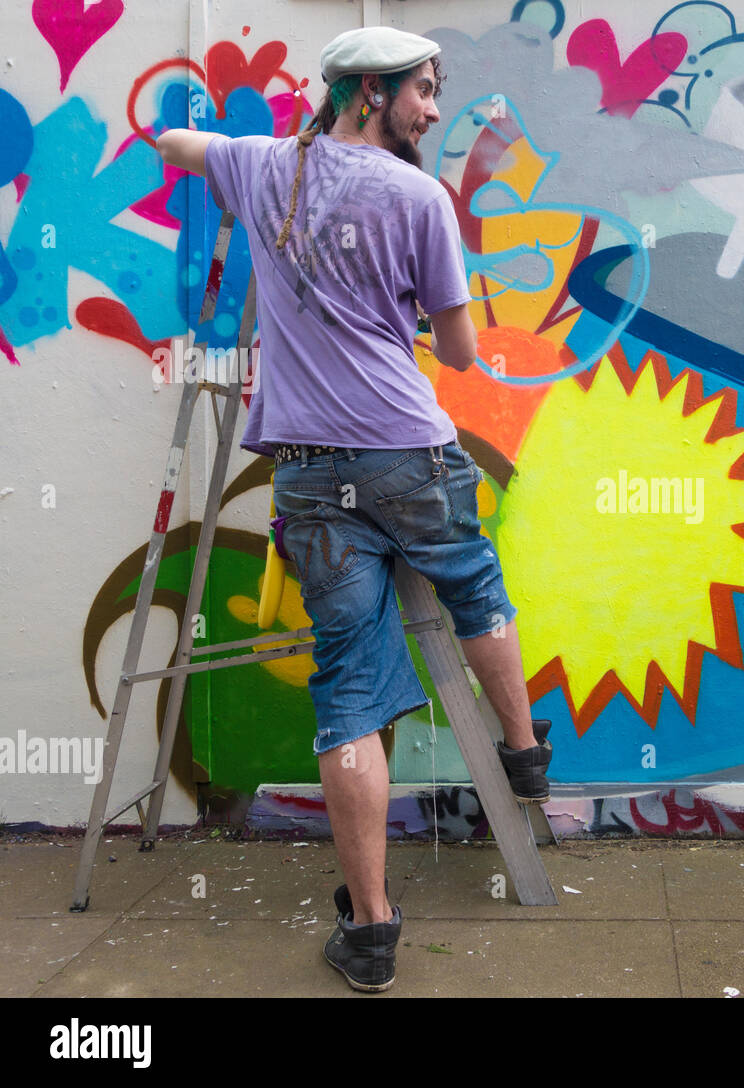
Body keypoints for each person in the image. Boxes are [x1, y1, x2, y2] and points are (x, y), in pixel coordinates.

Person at [155, 26, 552, 993]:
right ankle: (525, 752)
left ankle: (371, 929)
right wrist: (409, 308)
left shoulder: (266, 169)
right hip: (409, 452)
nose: (432, 108)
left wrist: (280, 145)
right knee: (475, 588)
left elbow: (176, 145)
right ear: (370, 91)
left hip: (310, 469)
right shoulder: (420, 197)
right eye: (422, 90)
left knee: (347, 695)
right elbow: (457, 354)